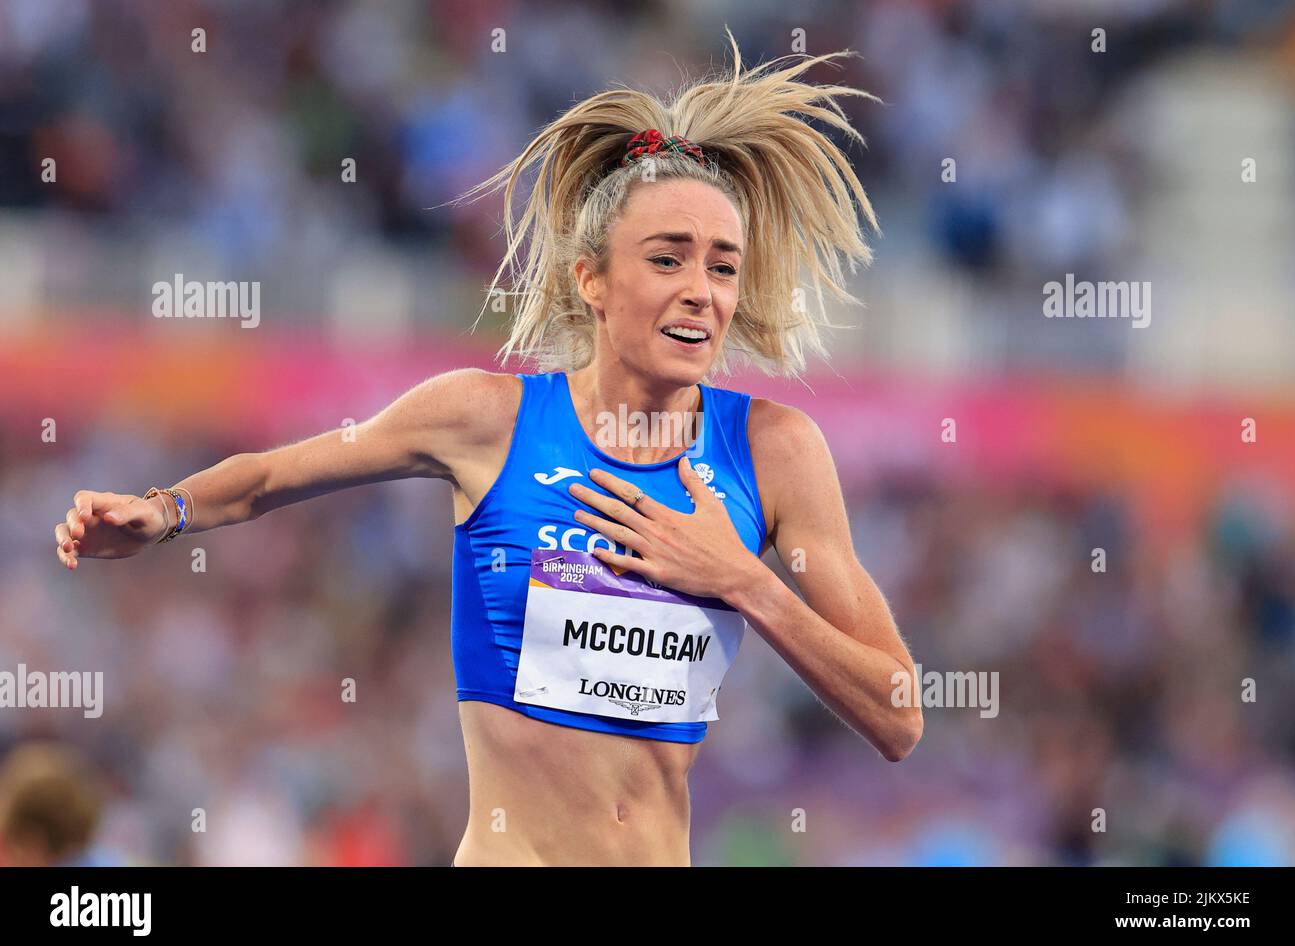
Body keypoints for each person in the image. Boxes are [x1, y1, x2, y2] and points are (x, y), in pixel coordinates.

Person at [53, 32, 922, 866]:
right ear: (591, 278)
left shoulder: (773, 450)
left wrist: (743, 580)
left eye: (724, 268)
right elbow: (274, 476)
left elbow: (898, 716)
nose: (701, 291)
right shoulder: (486, 420)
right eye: (668, 259)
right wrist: (161, 513)